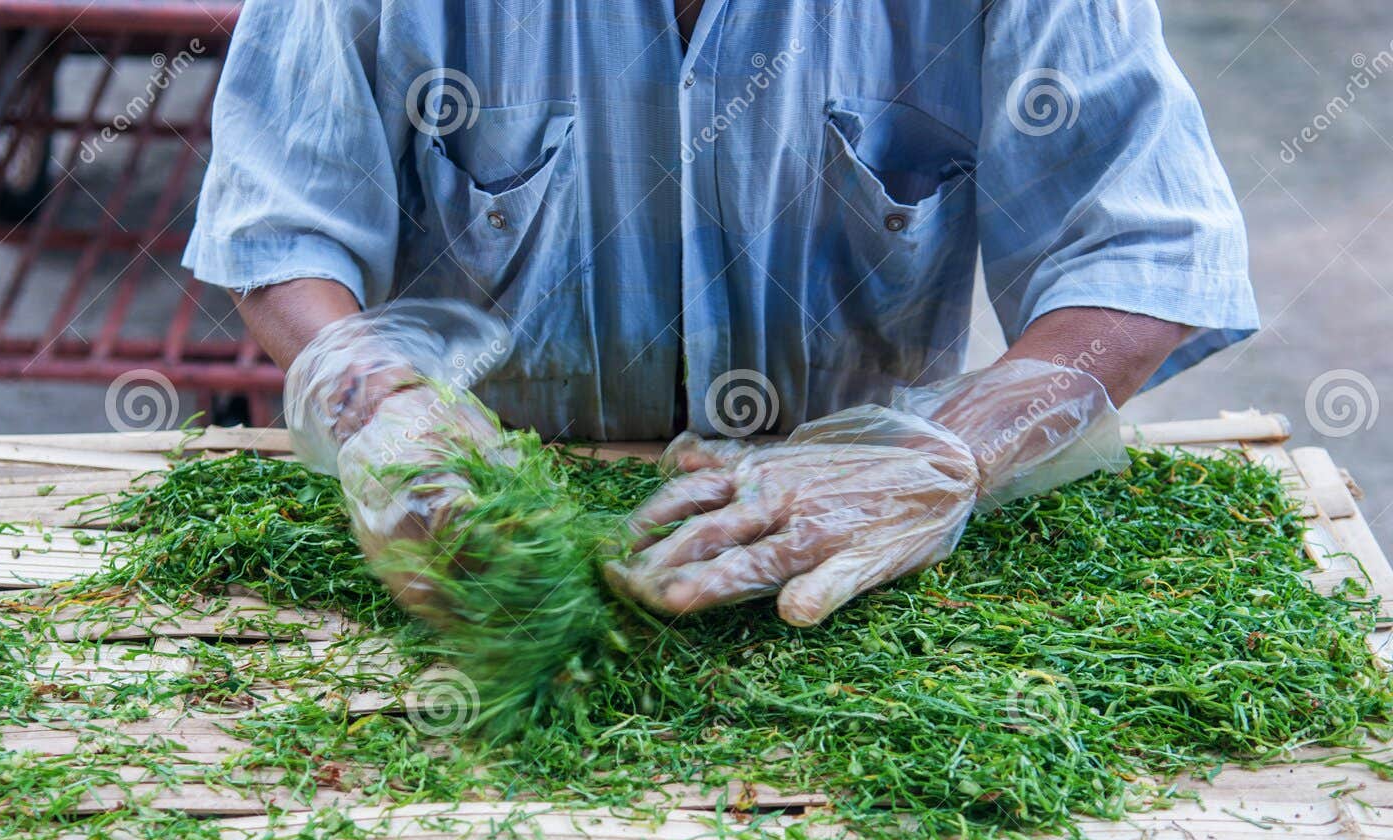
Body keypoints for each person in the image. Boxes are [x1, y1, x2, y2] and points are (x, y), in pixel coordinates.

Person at [184, 0, 1257, 627]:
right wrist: (383, 404)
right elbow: (283, 224)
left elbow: (1142, 243)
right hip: (501, 532)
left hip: (855, 538)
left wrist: (943, 455)